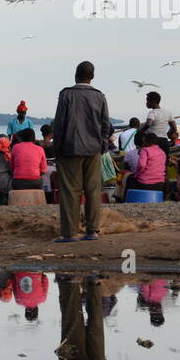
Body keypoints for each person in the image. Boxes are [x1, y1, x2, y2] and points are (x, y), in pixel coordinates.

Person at [51, 60, 111, 243]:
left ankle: (69, 233)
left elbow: (59, 124)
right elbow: (105, 125)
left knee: (70, 191)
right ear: (91, 77)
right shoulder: (100, 96)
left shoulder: (67, 94)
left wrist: (57, 149)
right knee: (93, 190)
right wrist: (101, 146)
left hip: (70, 149)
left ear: (75, 74)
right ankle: (92, 231)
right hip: (93, 150)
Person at [123, 131, 167, 198]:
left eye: (144, 141)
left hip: (145, 183)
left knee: (130, 179)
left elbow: (141, 165)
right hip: (160, 184)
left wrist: (137, 174)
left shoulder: (145, 150)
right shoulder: (162, 152)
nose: (143, 143)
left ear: (147, 141)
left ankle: (126, 199)